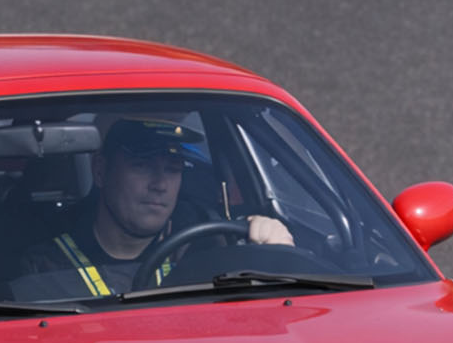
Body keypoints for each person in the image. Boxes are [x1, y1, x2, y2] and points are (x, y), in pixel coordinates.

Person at [32, 117, 294, 297]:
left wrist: (275, 251)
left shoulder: (209, 245)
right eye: (142, 166)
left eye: (172, 169)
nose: (160, 184)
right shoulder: (43, 266)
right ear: (100, 171)